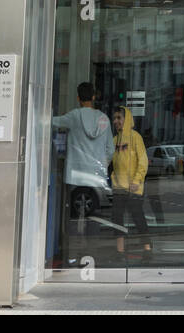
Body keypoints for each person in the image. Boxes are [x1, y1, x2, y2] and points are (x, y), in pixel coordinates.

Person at [52, 81, 114, 220]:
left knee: (72, 210)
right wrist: (102, 165)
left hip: (75, 174)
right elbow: (110, 149)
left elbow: (51, 122)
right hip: (95, 175)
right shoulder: (104, 119)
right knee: (92, 211)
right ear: (93, 97)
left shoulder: (74, 116)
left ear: (78, 98)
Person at [110, 106, 152, 259]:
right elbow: (108, 160)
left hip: (134, 187)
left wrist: (137, 180)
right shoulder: (115, 140)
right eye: (114, 118)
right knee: (117, 219)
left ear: (126, 119)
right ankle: (119, 251)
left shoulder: (135, 137)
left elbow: (143, 161)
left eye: (119, 118)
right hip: (118, 187)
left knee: (138, 218)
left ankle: (147, 249)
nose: (116, 121)